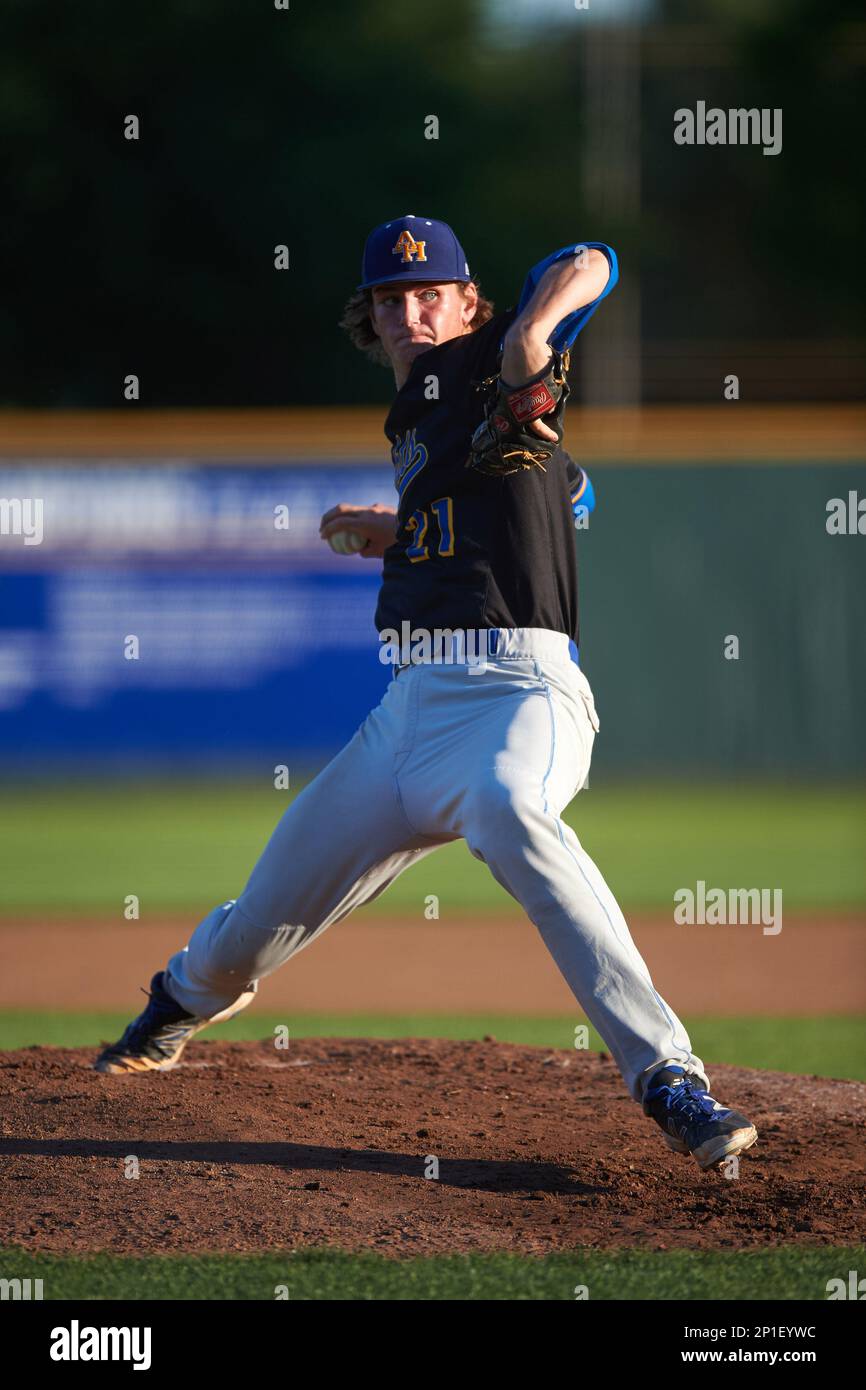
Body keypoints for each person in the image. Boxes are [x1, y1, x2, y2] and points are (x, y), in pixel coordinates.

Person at [94, 214, 758, 1172]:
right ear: (370, 315)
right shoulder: (413, 417)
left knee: (509, 811)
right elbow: (556, 493)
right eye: (391, 298)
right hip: (406, 714)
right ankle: (169, 1013)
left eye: (429, 292)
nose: (411, 310)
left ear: (465, 299)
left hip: (520, 694)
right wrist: (399, 530)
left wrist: (534, 338)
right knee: (257, 920)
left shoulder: (497, 350)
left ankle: (671, 1081)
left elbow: (593, 260)